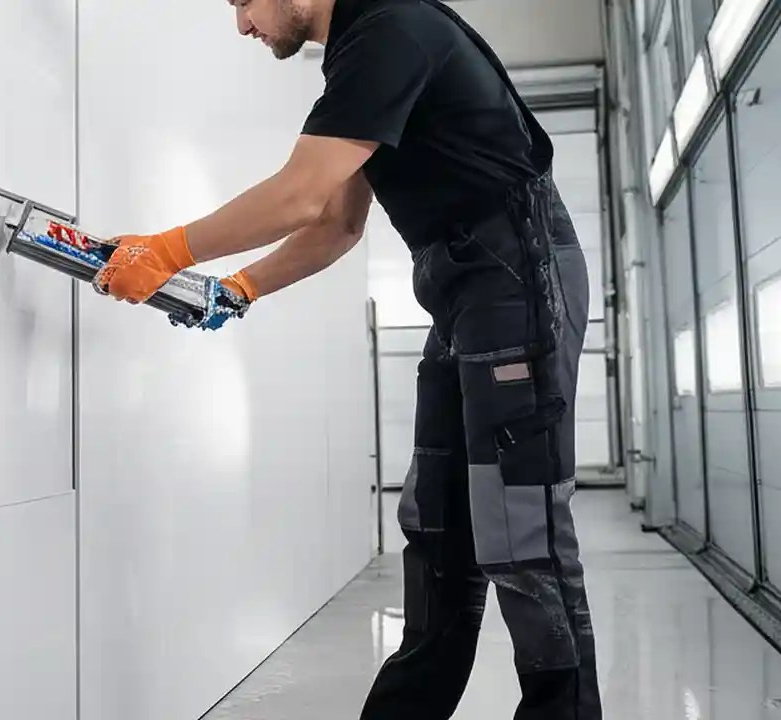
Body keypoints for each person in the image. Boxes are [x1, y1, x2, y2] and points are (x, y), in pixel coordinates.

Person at [92, 0, 601, 718]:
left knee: (524, 536)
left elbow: (301, 197)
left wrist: (167, 249)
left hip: (516, 276)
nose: (240, 23)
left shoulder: (393, 28)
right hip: (466, 290)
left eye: (241, 0)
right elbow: (338, 221)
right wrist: (237, 289)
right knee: (437, 527)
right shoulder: (363, 48)